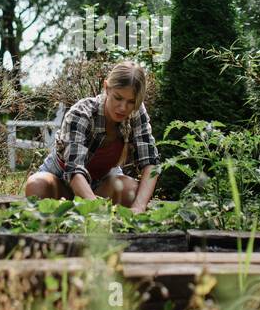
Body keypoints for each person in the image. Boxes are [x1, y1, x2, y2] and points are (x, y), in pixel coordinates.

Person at [24, 61, 161, 212]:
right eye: (118, 98)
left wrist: (139, 207)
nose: (123, 107)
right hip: (63, 180)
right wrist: (98, 212)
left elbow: (150, 163)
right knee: (36, 185)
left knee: (131, 191)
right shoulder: (81, 113)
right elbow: (74, 171)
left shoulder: (136, 112)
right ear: (107, 88)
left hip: (102, 183)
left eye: (131, 102)